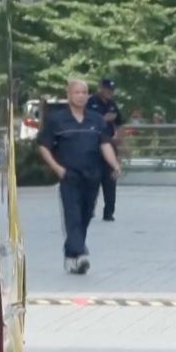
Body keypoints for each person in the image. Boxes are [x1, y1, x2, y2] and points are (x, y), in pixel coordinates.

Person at [37, 78, 123, 274]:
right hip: (69, 175)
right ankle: (80, 253)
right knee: (73, 215)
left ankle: (71, 255)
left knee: (86, 214)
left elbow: (105, 144)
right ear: (69, 95)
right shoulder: (57, 119)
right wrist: (57, 168)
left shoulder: (96, 119)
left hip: (92, 175)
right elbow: (44, 146)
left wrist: (114, 164)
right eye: (77, 92)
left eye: (84, 92)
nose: (81, 96)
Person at [85, 78, 124, 221]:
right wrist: (104, 118)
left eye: (111, 90)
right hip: (94, 147)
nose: (109, 92)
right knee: (92, 182)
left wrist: (119, 139)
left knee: (110, 181)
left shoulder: (112, 104)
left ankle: (109, 212)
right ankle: (88, 211)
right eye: (107, 89)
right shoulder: (91, 103)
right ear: (100, 88)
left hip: (110, 146)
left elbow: (120, 123)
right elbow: (86, 122)